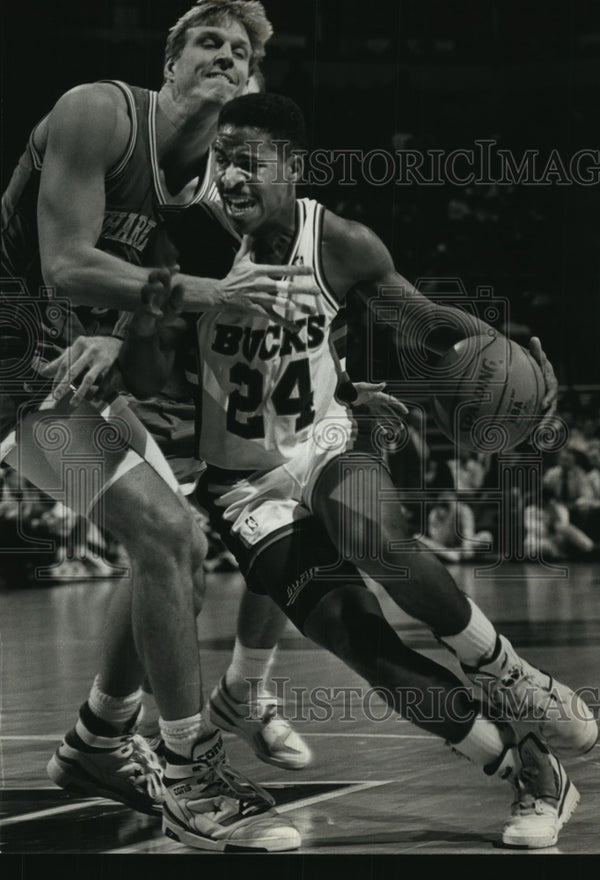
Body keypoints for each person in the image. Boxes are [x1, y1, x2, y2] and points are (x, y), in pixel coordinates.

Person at [120, 93, 598, 849]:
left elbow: (426, 327)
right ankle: (531, 773)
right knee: (364, 645)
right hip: (243, 484)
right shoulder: (192, 246)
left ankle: (510, 674)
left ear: (295, 169)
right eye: (223, 160)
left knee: (370, 531)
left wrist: (522, 381)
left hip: (326, 439)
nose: (233, 176)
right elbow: (146, 379)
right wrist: (147, 318)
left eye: (251, 160)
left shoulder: (338, 243)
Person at [0, 3, 326, 852]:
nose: (226, 56)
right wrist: (198, 297)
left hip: (60, 366)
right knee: (162, 531)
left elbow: (178, 272)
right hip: (6, 367)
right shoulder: (98, 112)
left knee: (178, 548)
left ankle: (99, 744)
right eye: (208, 43)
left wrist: (119, 323)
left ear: (252, 82)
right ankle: (187, 768)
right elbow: (68, 263)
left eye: (242, 51)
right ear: (172, 63)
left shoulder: (211, 183)